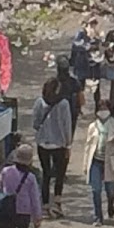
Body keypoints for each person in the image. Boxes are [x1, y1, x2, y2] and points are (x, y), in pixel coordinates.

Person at [32, 78, 73, 218]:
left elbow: (35, 123)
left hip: (43, 143)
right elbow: (67, 124)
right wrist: (68, 144)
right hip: (59, 144)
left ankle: (44, 206)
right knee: (60, 175)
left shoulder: (39, 102)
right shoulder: (63, 104)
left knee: (46, 174)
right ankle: (57, 204)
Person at [82, 99, 114, 227]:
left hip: (110, 162)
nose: (103, 110)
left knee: (110, 190)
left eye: (105, 108)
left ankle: (111, 204)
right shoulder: (93, 126)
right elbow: (88, 146)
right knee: (96, 190)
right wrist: (85, 165)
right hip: (96, 161)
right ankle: (98, 217)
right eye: (100, 108)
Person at [0, 144, 42, 228]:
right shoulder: (30, 177)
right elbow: (35, 198)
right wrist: (37, 217)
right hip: (24, 211)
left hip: (7, 209)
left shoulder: (5, 171)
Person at [71, 19, 108, 108]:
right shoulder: (81, 34)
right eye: (91, 25)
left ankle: (97, 106)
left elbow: (101, 46)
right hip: (83, 63)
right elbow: (76, 45)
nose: (93, 27)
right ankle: (78, 106)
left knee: (96, 85)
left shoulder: (97, 35)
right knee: (80, 86)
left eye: (94, 25)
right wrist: (88, 47)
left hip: (94, 64)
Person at [55, 55, 84, 139]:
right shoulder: (74, 82)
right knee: (69, 137)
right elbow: (81, 99)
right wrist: (79, 109)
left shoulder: (53, 82)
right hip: (71, 113)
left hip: (56, 114)